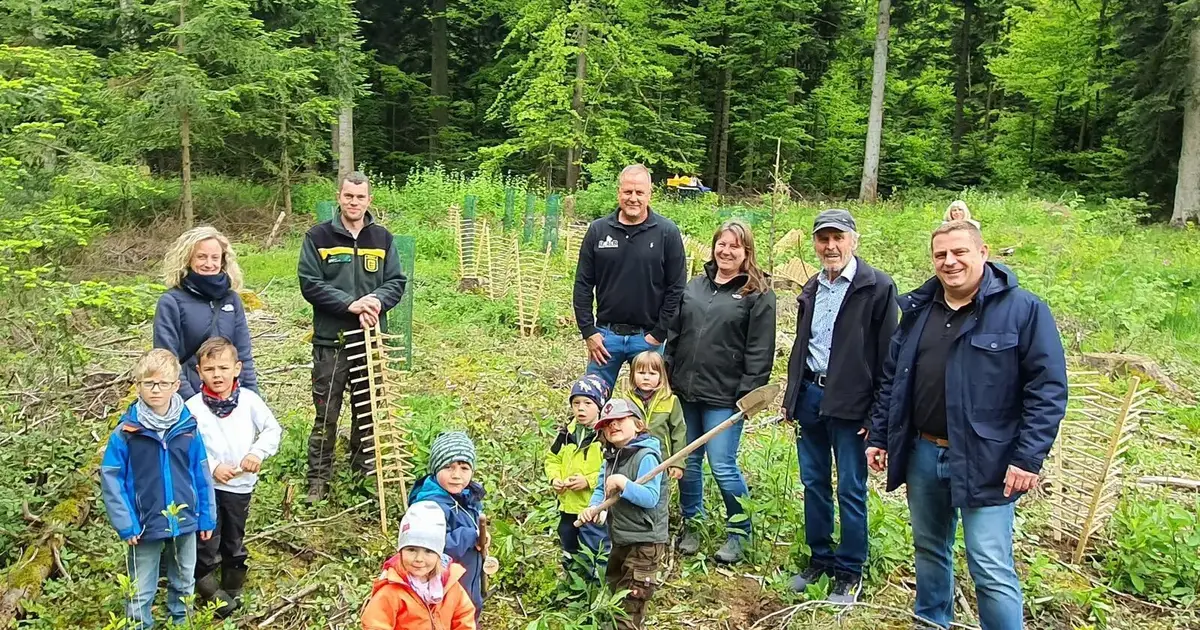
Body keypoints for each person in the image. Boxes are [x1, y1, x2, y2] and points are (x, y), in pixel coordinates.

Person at [866, 221, 1068, 630]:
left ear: (983, 252)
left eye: (959, 252)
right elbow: (894, 378)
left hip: (988, 458)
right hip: (924, 451)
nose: (949, 262)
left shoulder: (1023, 310)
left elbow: (1048, 390)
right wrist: (882, 434)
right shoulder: (920, 311)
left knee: (990, 564)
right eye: (941, 255)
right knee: (929, 548)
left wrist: (1027, 458)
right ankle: (931, 621)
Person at [781, 209, 898, 603]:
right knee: (813, 484)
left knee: (850, 488)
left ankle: (849, 571)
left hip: (853, 405)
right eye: (823, 239)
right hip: (811, 397)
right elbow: (803, 346)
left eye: (838, 238)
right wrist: (791, 396)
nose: (830, 246)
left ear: (854, 240)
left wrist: (875, 416)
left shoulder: (876, 287)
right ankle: (820, 558)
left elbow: (887, 360)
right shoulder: (813, 286)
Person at [666, 219, 775, 565]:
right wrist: (668, 370)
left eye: (735, 247)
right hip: (686, 388)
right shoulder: (696, 286)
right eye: (721, 244)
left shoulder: (757, 294)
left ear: (747, 253)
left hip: (725, 396)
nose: (726, 252)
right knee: (690, 461)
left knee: (723, 464)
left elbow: (760, 350)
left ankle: (739, 532)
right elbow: (677, 330)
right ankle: (692, 523)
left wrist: (747, 396)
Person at [298, 171, 408, 502]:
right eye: (348, 196)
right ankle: (318, 480)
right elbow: (310, 283)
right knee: (326, 413)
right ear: (339, 197)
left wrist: (375, 301)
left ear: (369, 200)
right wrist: (350, 304)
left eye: (360, 197)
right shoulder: (318, 237)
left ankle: (363, 474)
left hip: (370, 340)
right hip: (332, 342)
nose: (354, 202)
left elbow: (396, 282)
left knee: (369, 410)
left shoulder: (382, 238)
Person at [100, 349, 216, 630]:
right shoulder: (127, 432)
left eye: (163, 383)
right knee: (140, 589)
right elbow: (111, 478)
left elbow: (200, 471)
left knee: (184, 580)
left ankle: (182, 623)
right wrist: (126, 524)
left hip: (184, 520)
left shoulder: (187, 426)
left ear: (175, 385)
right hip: (143, 525)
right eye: (148, 383)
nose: (156, 390)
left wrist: (207, 516)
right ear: (138, 386)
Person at [185, 337, 282, 617]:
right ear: (199, 372)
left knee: (233, 537)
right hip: (206, 487)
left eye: (224, 368)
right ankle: (208, 589)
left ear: (237, 368)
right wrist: (212, 466)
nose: (217, 375)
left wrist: (257, 454)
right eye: (210, 369)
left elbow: (271, 431)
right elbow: (188, 444)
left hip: (240, 485)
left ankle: (233, 588)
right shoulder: (193, 408)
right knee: (207, 537)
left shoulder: (250, 402)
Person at [573, 164, 687, 390]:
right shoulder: (598, 231)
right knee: (592, 398)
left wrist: (658, 334)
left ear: (649, 194)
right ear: (619, 193)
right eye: (627, 192)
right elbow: (583, 284)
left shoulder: (666, 232)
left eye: (639, 192)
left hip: (648, 339)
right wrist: (589, 332)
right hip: (605, 338)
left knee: (651, 409)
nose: (633, 198)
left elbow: (677, 288)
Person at [578, 400, 668, 630]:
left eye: (620, 420)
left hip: (645, 542)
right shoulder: (611, 457)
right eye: (607, 424)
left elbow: (650, 497)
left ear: (638, 424)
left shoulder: (646, 456)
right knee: (616, 588)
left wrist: (624, 484)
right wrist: (597, 507)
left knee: (632, 600)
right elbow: (601, 489)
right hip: (620, 538)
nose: (613, 426)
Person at [154, 226, 258, 401]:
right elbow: (167, 361)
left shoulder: (231, 300)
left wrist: (252, 399)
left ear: (223, 261)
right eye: (201, 257)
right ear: (187, 260)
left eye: (215, 257)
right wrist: (194, 403)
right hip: (189, 400)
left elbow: (243, 355)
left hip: (230, 399)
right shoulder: (171, 302)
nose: (209, 264)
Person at [360, 501, 477, 630]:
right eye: (411, 550)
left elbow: (464, 617)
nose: (419, 559)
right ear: (401, 551)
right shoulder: (391, 591)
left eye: (428, 551)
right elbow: (375, 624)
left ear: (439, 554)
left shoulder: (450, 585)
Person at [409, 431, 486, 621]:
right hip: (443, 590)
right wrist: (470, 535)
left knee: (469, 614)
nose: (456, 475)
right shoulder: (429, 507)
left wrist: (481, 536)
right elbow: (433, 549)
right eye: (449, 467)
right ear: (436, 469)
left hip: (468, 584)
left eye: (464, 468)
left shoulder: (467, 498)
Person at [546, 374, 611, 578]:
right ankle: (572, 578)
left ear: (600, 406)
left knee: (594, 545)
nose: (580, 409)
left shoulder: (605, 436)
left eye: (587, 403)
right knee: (568, 540)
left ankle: (595, 584)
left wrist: (588, 481)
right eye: (576, 403)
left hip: (593, 507)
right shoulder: (567, 433)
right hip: (568, 505)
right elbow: (552, 459)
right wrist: (554, 478)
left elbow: (612, 468)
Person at [624, 351, 686, 483]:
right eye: (641, 373)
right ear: (632, 375)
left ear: (661, 376)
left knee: (659, 496)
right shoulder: (626, 400)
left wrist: (677, 462)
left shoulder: (670, 400)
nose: (646, 377)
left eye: (652, 373)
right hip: (632, 458)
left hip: (661, 461)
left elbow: (679, 433)